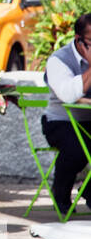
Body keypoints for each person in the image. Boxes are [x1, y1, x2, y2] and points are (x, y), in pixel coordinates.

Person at [42, 12, 91, 216]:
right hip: (60, 121)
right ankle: (61, 195)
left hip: (89, 121)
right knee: (78, 147)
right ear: (80, 41)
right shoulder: (58, 60)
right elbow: (68, 95)